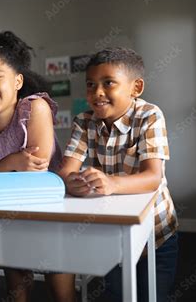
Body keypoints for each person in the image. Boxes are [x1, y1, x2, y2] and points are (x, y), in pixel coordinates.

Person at [0, 31, 75, 302]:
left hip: (48, 211)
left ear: (18, 81)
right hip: (6, 215)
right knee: (17, 290)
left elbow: (36, 171)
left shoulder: (34, 108)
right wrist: (13, 162)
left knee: (61, 292)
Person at [59, 47, 178, 302]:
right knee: (118, 294)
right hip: (114, 234)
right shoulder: (84, 120)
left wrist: (111, 183)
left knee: (152, 295)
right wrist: (72, 182)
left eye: (108, 83)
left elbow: (153, 177)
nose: (97, 92)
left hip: (157, 234)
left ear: (136, 88)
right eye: (90, 84)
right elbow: (66, 169)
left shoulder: (149, 116)